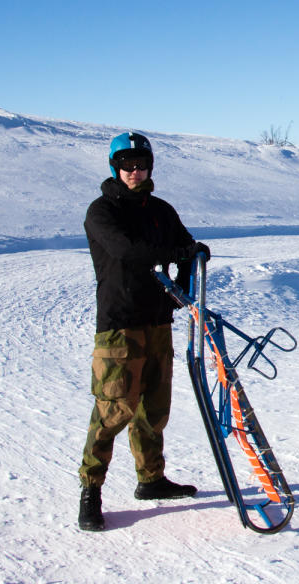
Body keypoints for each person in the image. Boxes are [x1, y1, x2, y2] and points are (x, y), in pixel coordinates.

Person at [76, 132, 209, 532]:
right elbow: (129, 252)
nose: (135, 172)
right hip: (120, 324)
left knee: (154, 408)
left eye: (142, 165)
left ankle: (150, 479)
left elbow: (187, 245)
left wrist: (190, 262)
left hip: (157, 321)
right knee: (114, 409)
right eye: (127, 165)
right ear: (115, 167)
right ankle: (90, 489)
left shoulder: (162, 210)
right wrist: (175, 254)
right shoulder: (102, 211)